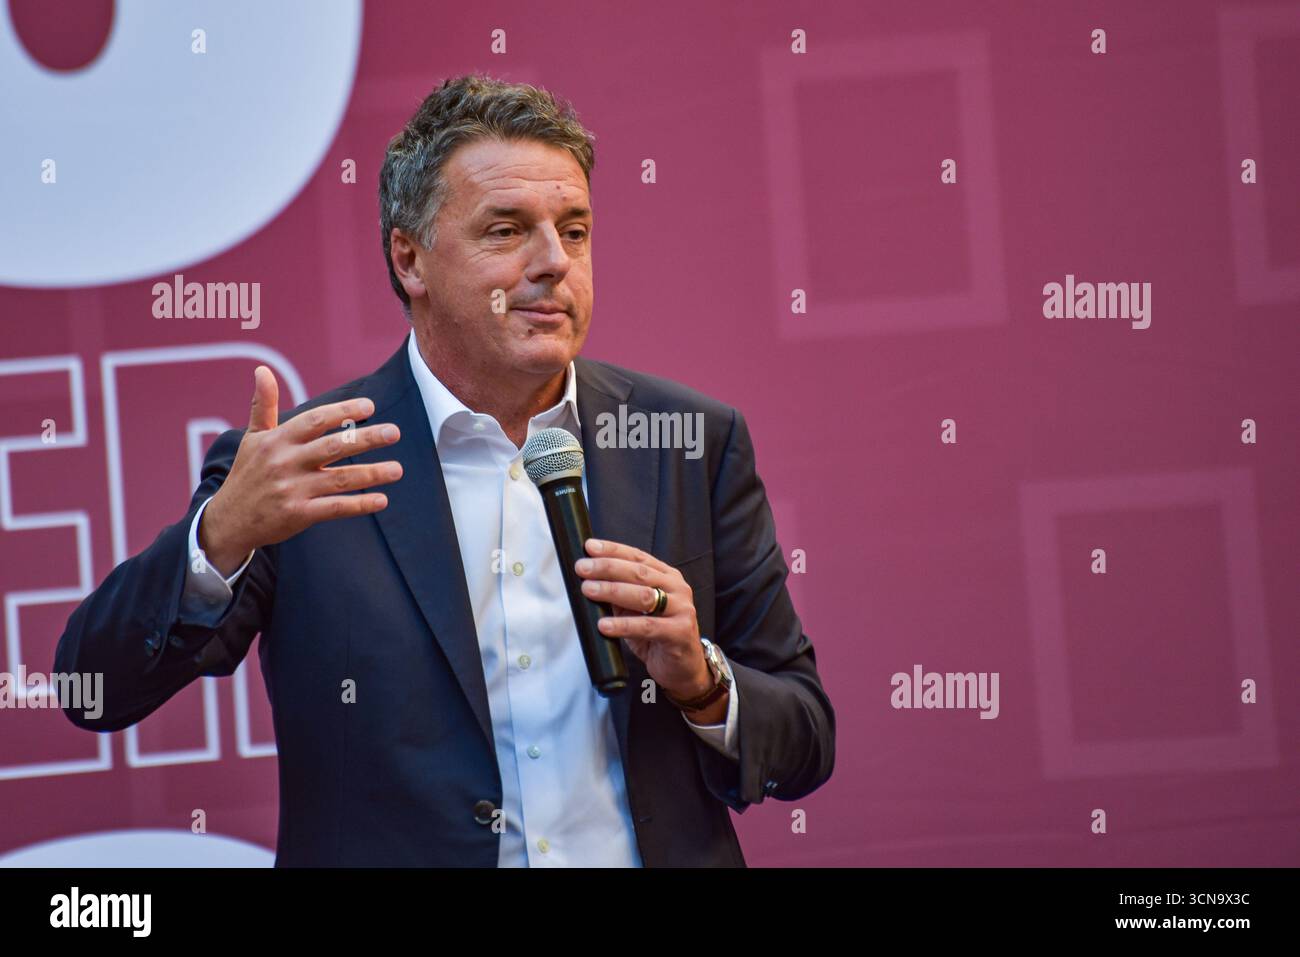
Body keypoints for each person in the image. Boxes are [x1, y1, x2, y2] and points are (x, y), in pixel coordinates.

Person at [55, 73, 834, 866]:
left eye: (574, 230)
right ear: (410, 257)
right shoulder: (307, 464)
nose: (553, 263)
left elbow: (806, 735)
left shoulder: (685, 440)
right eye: (506, 231)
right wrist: (219, 534)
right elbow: (94, 689)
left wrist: (701, 679)